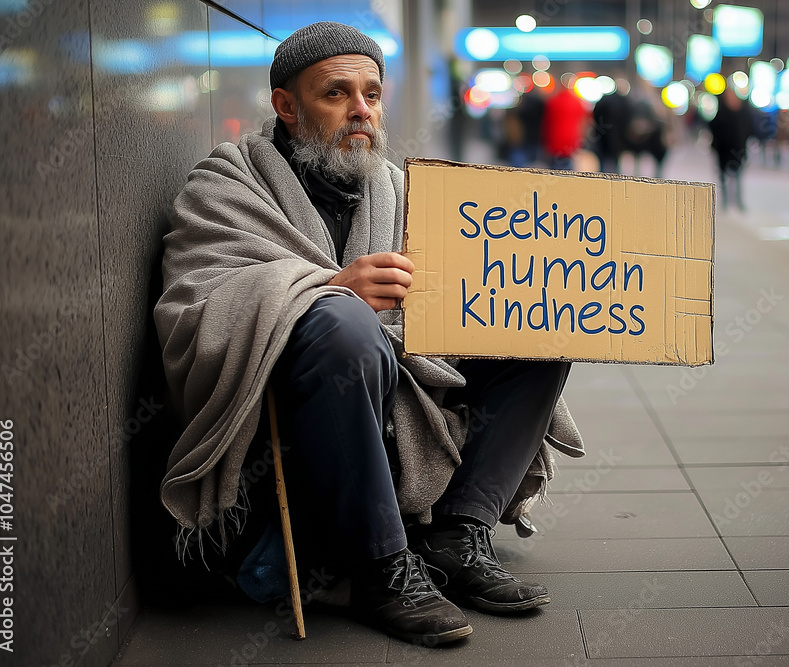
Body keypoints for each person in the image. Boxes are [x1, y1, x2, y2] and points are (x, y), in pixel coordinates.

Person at [153, 22, 583, 646]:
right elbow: (198, 305)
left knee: (541, 316)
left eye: (373, 94)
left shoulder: (404, 190)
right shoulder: (225, 186)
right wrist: (330, 287)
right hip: (305, 413)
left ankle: (457, 534)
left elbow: (455, 298)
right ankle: (381, 569)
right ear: (286, 106)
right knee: (340, 321)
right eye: (337, 94)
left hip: (411, 374)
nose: (362, 111)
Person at [709, 86, 754, 211]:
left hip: (738, 149)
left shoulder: (743, 112)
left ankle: (738, 201)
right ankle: (725, 202)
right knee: (723, 177)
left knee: (738, 176)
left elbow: (749, 128)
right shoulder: (721, 113)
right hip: (723, 150)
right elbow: (714, 128)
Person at [541, 81, 590, 170]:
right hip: (570, 141)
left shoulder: (553, 101)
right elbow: (583, 123)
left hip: (554, 140)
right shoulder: (577, 102)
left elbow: (546, 123)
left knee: (553, 170)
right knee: (567, 171)